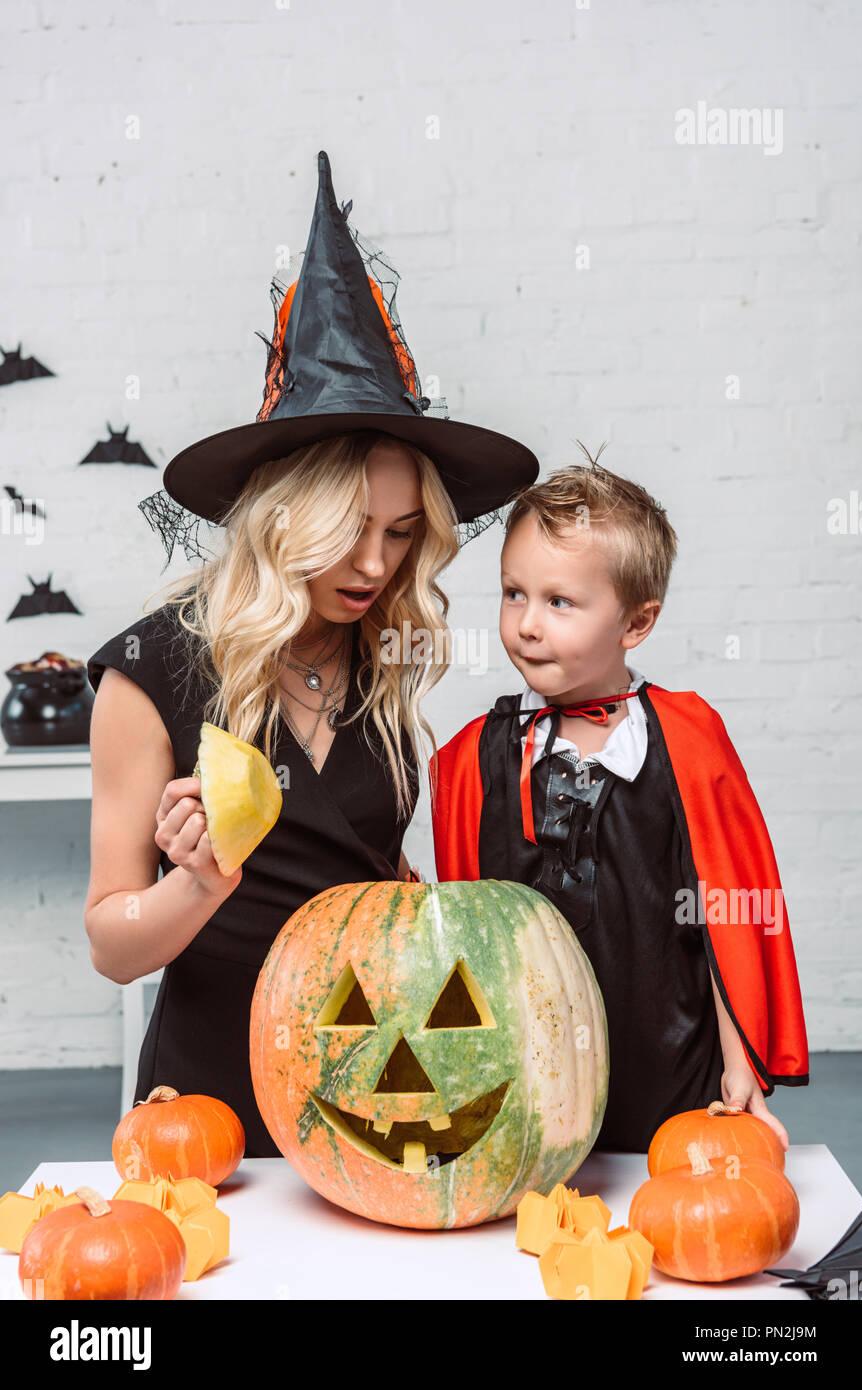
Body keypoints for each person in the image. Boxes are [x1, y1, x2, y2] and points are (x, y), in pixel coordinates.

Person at [84, 149, 539, 1154]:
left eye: (401, 534)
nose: (377, 564)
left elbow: (372, 866)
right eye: (351, 529)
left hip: (376, 1075)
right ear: (285, 515)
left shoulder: (376, 653)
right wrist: (198, 881)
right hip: (217, 1101)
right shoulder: (151, 668)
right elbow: (112, 945)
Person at [428, 450, 809, 1154]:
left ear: (635, 624)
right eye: (514, 593)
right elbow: (463, 938)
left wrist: (739, 1067)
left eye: (559, 601)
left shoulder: (685, 743)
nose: (527, 624)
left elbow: (726, 915)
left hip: (669, 1071)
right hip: (530, 1088)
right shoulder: (473, 758)